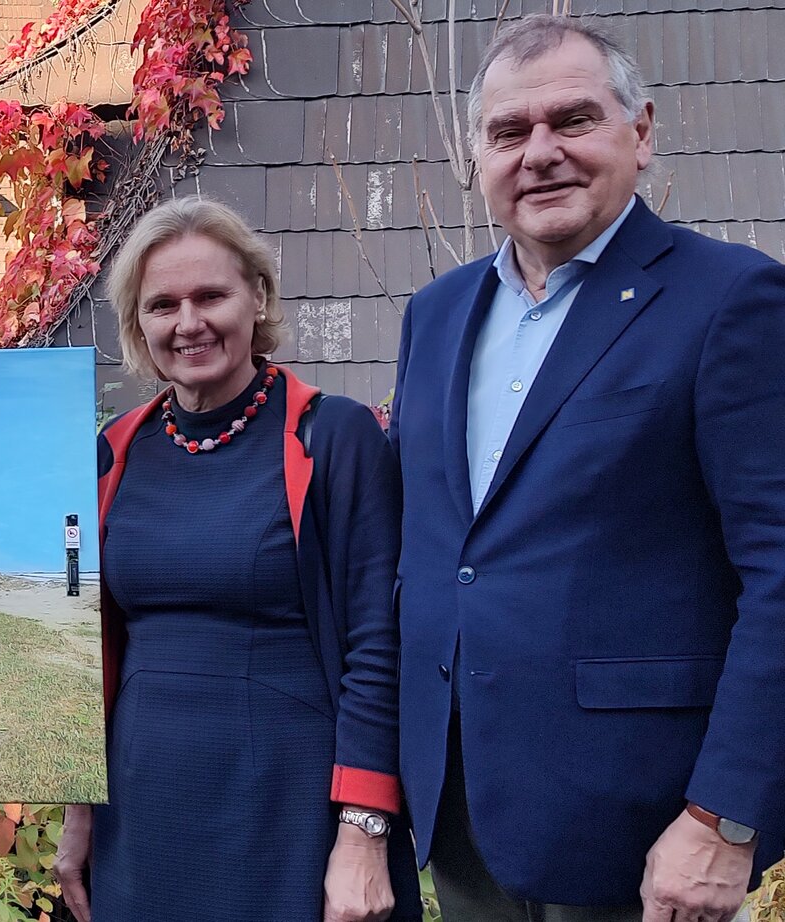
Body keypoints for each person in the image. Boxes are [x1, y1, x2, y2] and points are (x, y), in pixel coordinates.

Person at [391, 15, 785, 922]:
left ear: (639, 133)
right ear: (479, 158)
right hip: (462, 814)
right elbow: (437, 555)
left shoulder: (731, 300)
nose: (540, 153)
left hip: (645, 833)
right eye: (509, 132)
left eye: (573, 120)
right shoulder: (436, 315)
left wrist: (723, 817)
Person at [52, 197, 418, 922]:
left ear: (257, 297)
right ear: (138, 323)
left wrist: (365, 829)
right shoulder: (114, 452)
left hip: (289, 804)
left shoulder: (333, 438)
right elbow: (83, 649)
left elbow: (379, 646)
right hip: (141, 806)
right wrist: (78, 805)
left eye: (211, 296)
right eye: (162, 305)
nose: (188, 322)